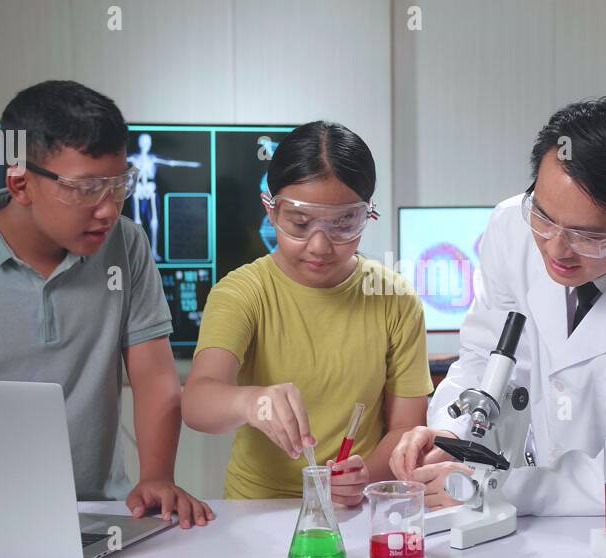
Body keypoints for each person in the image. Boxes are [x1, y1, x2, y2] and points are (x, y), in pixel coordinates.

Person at [390, 96, 606, 515]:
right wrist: (447, 440)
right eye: (544, 216)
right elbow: (482, 361)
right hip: (517, 514)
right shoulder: (509, 227)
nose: (556, 249)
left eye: (588, 236)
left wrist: (503, 489)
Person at [0, 80, 213, 529]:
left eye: (118, 184)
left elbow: (153, 374)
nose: (109, 209)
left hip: (97, 516)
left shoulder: (126, 245)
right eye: (85, 188)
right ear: (20, 183)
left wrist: (156, 476)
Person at [182, 121, 433, 505]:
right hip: (257, 509)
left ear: (367, 217)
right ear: (272, 212)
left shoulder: (394, 299)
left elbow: (405, 427)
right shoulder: (243, 293)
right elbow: (197, 403)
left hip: (356, 508)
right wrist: (250, 402)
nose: (319, 245)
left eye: (343, 224)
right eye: (300, 223)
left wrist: (366, 474)